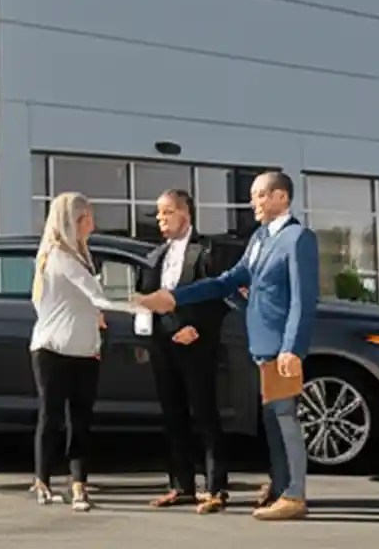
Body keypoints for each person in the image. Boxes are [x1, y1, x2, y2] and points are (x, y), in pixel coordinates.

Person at [137, 171, 318, 521]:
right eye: (253, 196)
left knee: (284, 418)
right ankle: (280, 487)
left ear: (282, 197)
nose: (255, 202)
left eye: (262, 195)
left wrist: (292, 349)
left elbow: (302, 299)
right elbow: (227, 282)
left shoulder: (298, 238)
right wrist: (173, 297)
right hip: (263, 345)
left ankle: (294, 495)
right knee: (273, 421)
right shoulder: (260, 239)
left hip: (281, 347)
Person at [29, 191, 172, 512]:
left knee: (80, 420)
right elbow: (99, 296)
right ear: (74, 221)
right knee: (51, 417)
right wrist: (145, 303)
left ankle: (78, 484)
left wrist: (94, 319)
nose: (94, 222)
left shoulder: (81, 254)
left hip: (85, 350)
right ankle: (43, 481)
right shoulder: (59, 257)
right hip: (52, 350)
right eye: (89, 216)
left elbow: (85, 301)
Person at [137, 189, 231, 514]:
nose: (161, 220)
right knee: (173, 416)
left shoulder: (206, 251)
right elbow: (146, 299)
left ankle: (216, 488)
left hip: (197, 346)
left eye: (167, 213)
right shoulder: (155, 256)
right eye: (159, 214)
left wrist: (198, 329)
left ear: (185, 214)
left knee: (205, 415)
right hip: (163, 347)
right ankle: (181, 487)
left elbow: (220, 299)